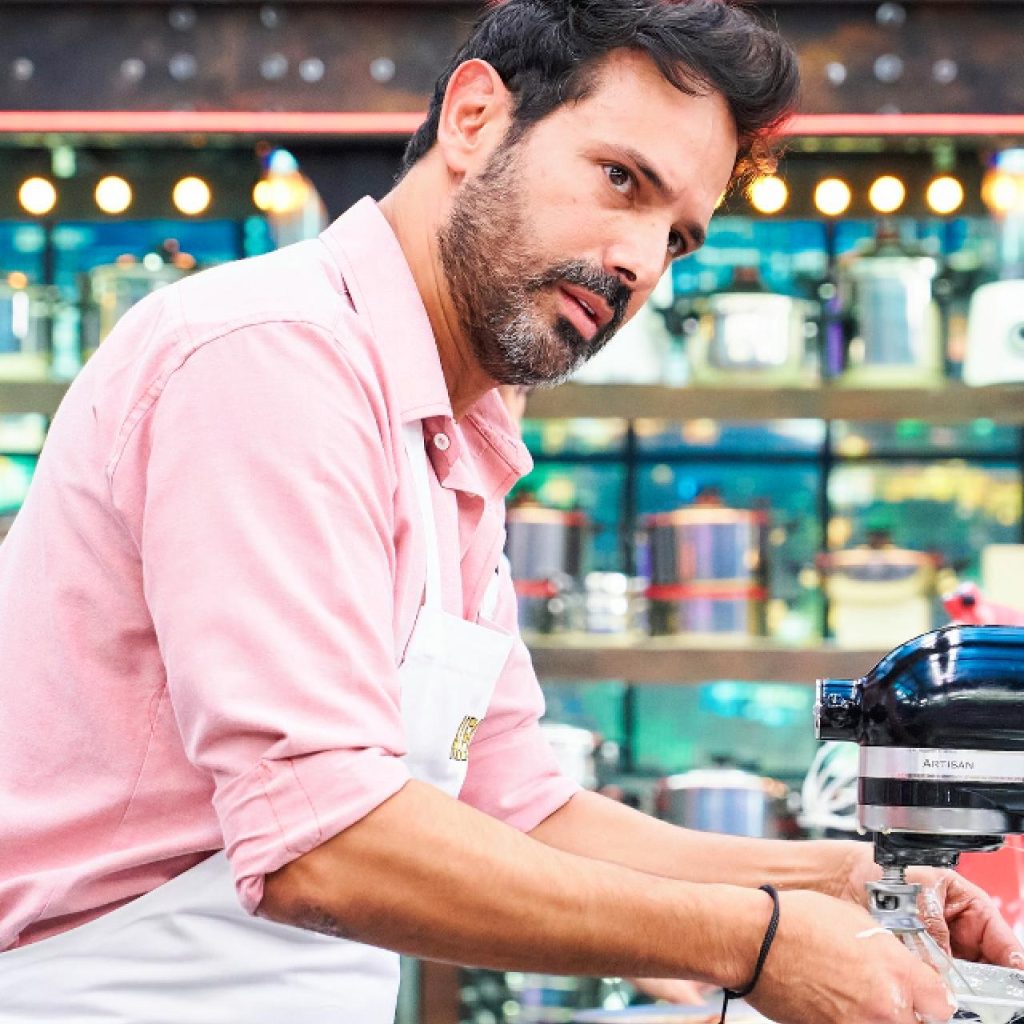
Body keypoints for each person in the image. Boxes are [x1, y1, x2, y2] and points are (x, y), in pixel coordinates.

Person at [0, 2, 1019, 1022]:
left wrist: (838, 885)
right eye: (620, 178)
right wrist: (750, 940)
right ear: (475, 116)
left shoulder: (453, 444)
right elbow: (323, 843)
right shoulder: (270, 356)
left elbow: (521, 810)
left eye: (676, 237)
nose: (639, 264)